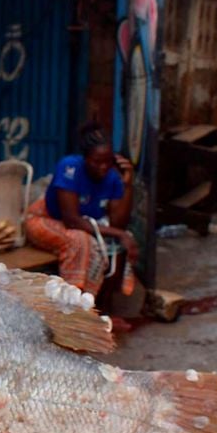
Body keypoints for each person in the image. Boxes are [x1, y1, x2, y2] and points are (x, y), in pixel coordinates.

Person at [24, 123, 136, 308]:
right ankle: (73, 305)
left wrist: (127, 186)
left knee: (116, 246)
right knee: (80, 241)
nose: (103, 167)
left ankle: (105, 309)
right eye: (96, 161)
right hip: (45, 218)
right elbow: (71, 220)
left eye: (108, 161)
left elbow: (118, 223)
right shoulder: (70, 168)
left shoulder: (113, 177)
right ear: (85, 158)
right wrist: (119, 233)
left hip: (86, 224)